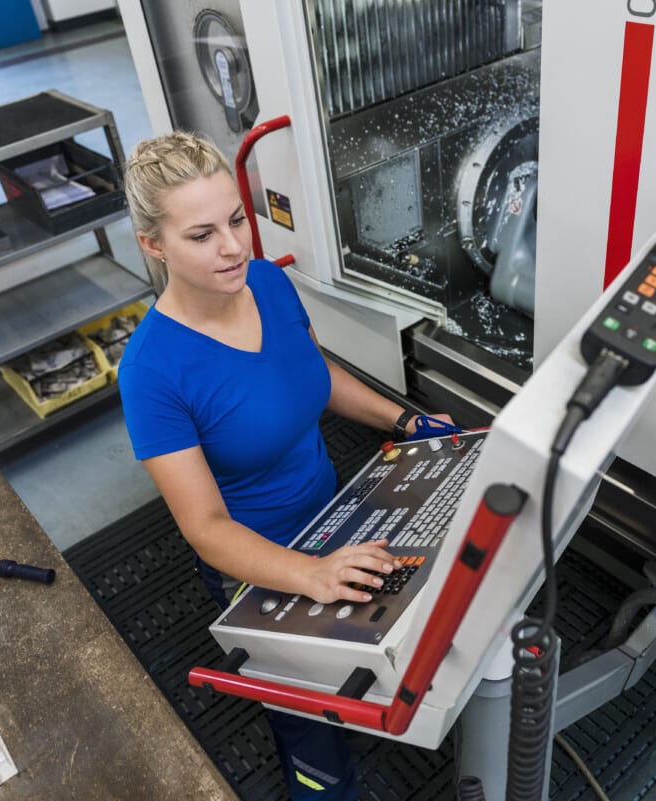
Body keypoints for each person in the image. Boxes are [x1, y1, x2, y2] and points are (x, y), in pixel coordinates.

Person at [117, 131, 453, 801]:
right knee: (310, 731)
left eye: (237, 220)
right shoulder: (151, 372)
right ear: (154, 245)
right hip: (259, 563)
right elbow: (207, 528)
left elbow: (314, 375)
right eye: (202, 235)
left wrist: (404, 421)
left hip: (336, 514)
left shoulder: (267, 282)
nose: (233, 247)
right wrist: (309, 575)